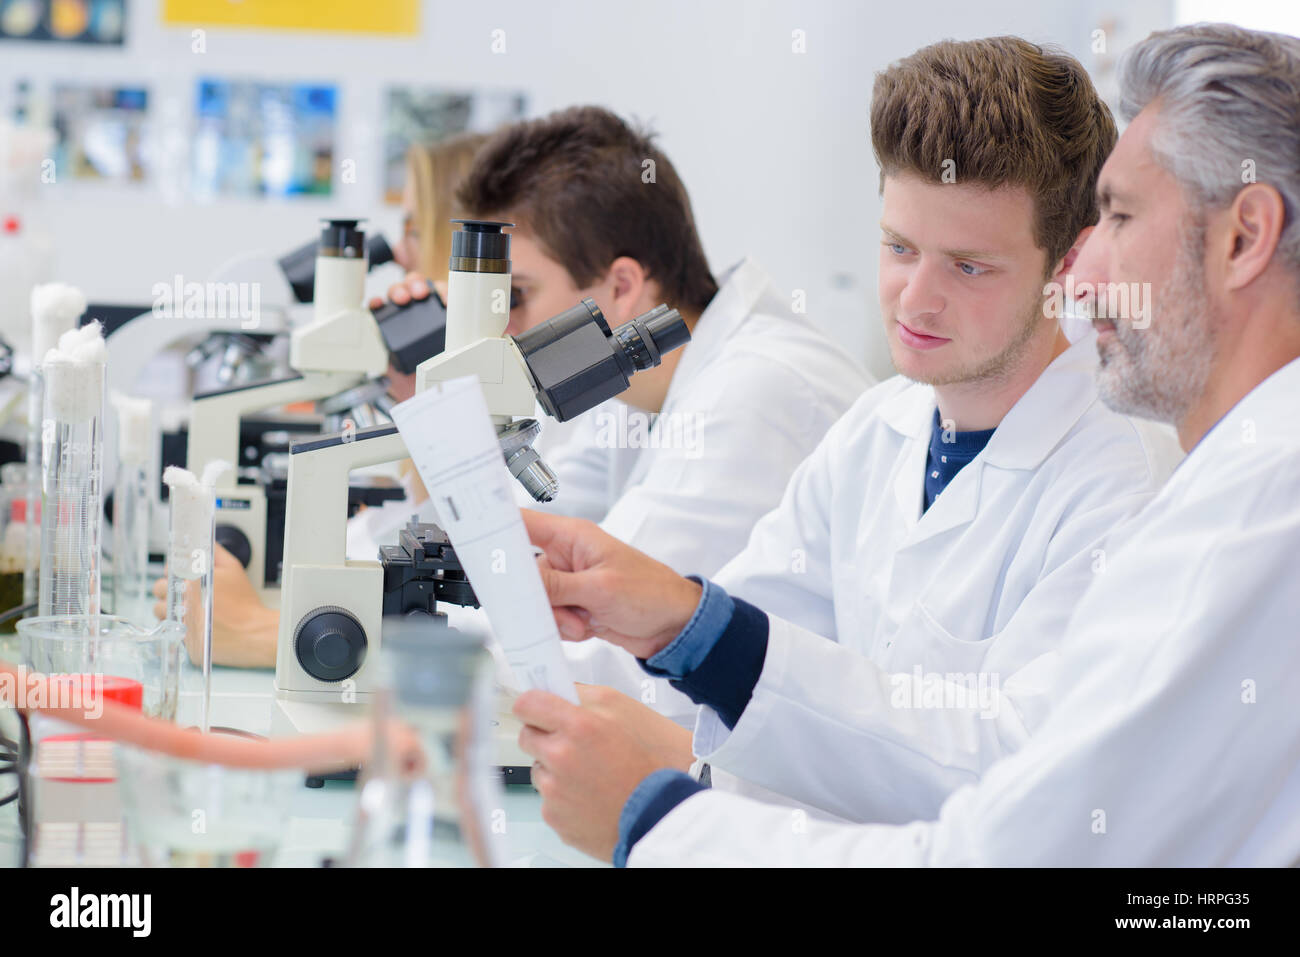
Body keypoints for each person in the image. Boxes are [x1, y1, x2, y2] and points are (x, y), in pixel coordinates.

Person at [512, 22, 1300, 866]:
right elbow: (796, 701)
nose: (915, 302)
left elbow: (1021, 818)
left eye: (969, 265)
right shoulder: (881, 428)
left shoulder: (1212, 493)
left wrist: (662, 820)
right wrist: (681, 624)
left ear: (1245, 237)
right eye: (898, 248)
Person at [359, 106, 873, 729]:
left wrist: (350, 645)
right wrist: (430, 401)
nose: (500, 328)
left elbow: (600, 654)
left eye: (515, 297)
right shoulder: (639, 390)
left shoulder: (752, 395)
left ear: (622, 288)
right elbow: (503, 544)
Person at [153, 133, 489, 668]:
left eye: (412, 231)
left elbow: (486, 615)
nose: (397, 253)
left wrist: (261, 628)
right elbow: (389, 537)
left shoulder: (516, 397)